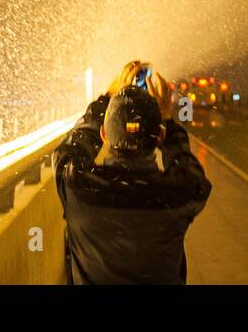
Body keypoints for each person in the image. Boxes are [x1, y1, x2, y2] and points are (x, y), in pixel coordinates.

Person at [53, 80, 211, 284]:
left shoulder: (79, 188)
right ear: (160, 136)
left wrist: (106, 98)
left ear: (103, 134)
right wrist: (169, 121)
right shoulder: (177, 194)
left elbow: (68, 152)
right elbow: (190, 171)